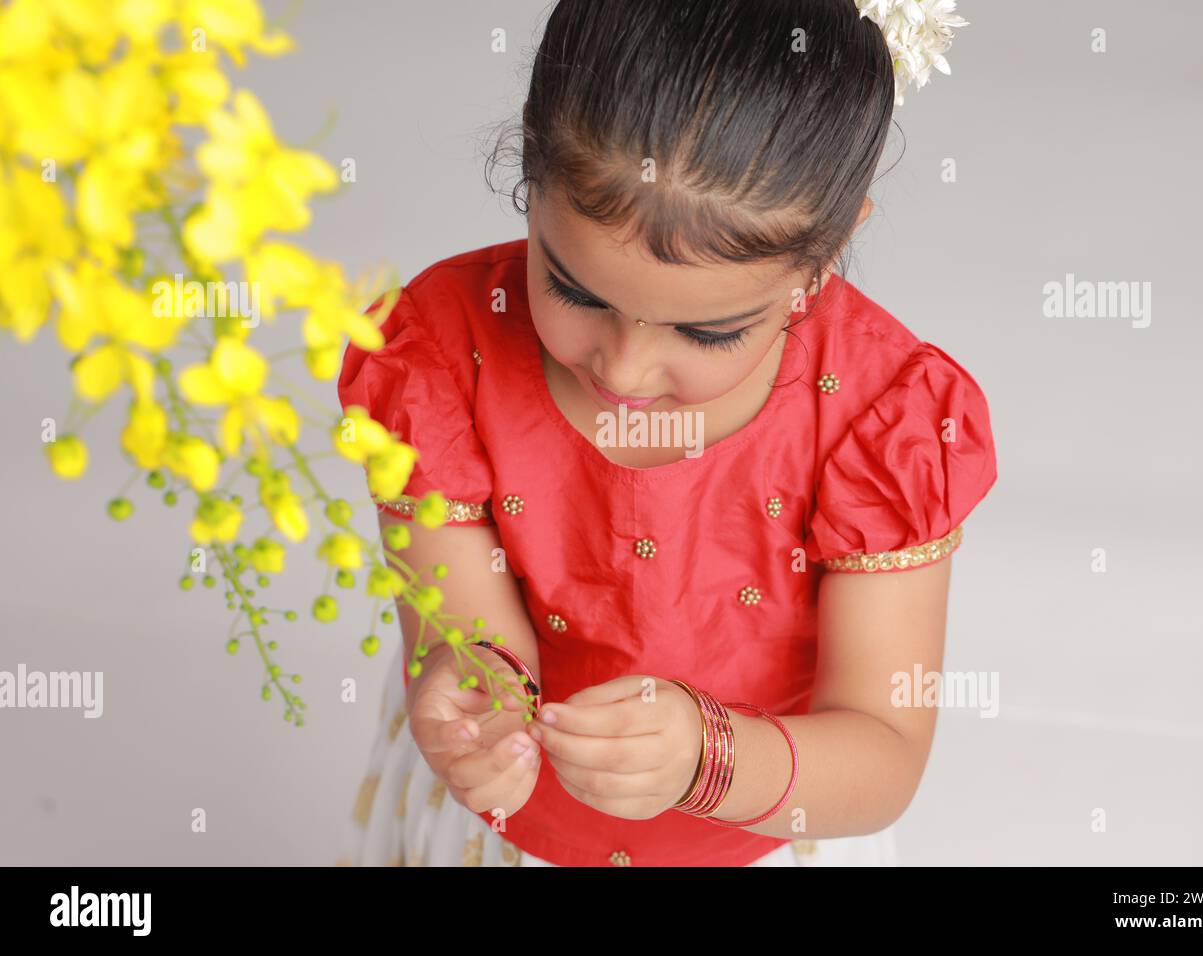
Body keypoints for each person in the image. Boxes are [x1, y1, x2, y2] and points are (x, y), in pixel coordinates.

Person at [335, 0, 992, 867]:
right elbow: (463, 624)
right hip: (504, 834)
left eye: (709, 332)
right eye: (574, 291)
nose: (623, 370)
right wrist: (473, 699)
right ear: (532, 168)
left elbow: (883, 753)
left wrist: (707, 758)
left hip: (762, 840)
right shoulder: (442, 351)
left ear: (828, 250)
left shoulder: (879, 418)